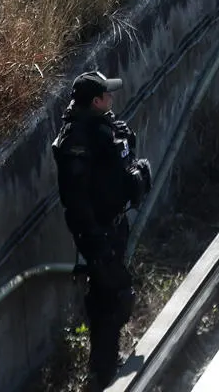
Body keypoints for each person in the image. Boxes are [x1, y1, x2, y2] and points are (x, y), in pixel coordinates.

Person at [52, 70, 152, 392]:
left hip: (113, 224)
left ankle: (103, 365)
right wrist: (95, 241)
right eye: (107, 94)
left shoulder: (103, 126)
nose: (112, 98)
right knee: (115, 297)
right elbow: (76, 199)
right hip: (98, 232)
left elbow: (117, 164)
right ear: (96, 101)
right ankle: (103, 372)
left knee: (106, 296)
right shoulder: (76, 142)